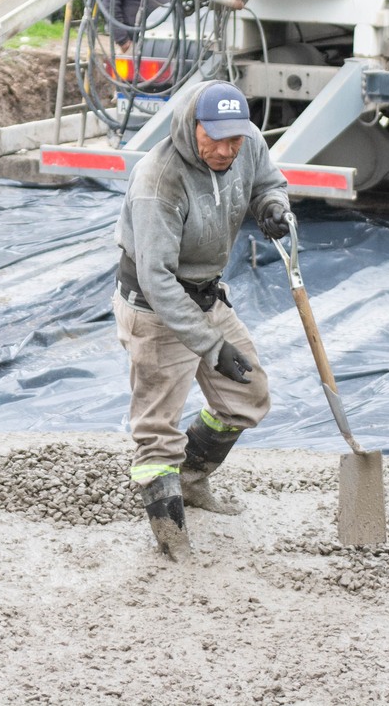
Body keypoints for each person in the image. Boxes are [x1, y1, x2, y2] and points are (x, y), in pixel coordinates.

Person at [114, 78, 292, 560]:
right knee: (157, 431)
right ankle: (171, 539)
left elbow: (268, 182)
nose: (226, 149)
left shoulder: (246, 143)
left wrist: (272, 207)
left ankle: (191, 483)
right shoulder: (159, 179)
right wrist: (212, 347)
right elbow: (157, 279)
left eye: (235, 138)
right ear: (192, 127)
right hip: (155, 308)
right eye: (214, 138)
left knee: (247, 395)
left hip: (207, 296)